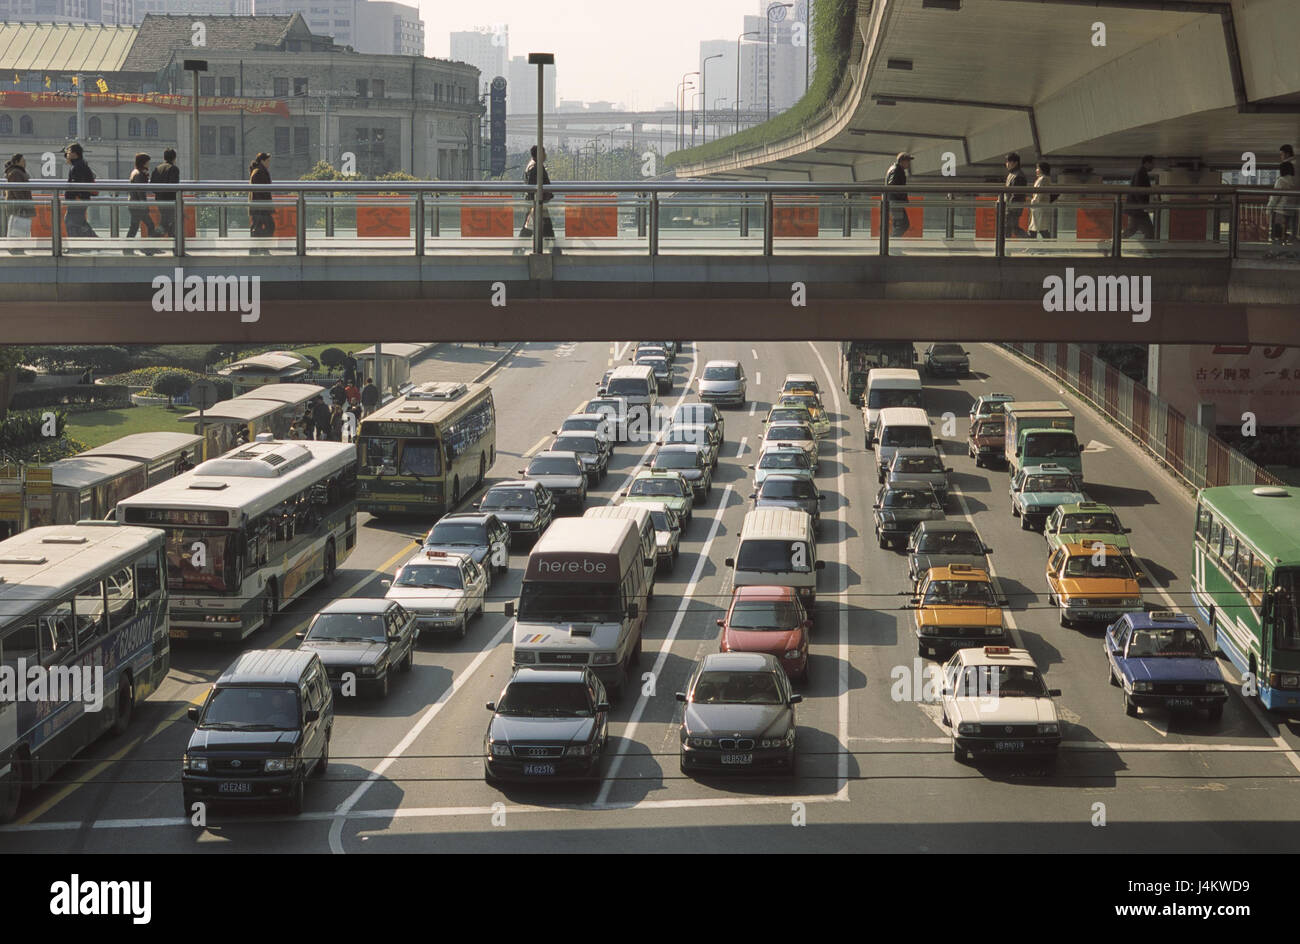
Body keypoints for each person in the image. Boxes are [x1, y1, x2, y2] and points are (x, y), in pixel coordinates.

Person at [520, 145, 556, 248]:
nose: (545, 155)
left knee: (531, 226)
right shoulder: (536, 167)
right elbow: (533, 186)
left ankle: (519, 248)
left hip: (536, 202)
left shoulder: (532, 165)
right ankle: (554, 248)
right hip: (537, 203)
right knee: (544, 227)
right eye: (544, 153)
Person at [124, 152, 159, 255]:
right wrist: (145, 206)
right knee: (149, 225)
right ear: (143, 162)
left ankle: (128, 249)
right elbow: (141, 192)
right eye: (147, 162)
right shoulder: (139, 174)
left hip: (134, 204)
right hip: (138, 205)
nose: (148, 164)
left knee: (134, 227)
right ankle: (148, 248)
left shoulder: (136, 172)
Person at [63, 143, 98, 239]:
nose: (67, 155)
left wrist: (77, 197)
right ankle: (96, 241)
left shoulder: (78, 166)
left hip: (77, 200)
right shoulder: (80, 164)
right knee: (80, 222)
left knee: (70, 222)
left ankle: (77, 245)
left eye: (69, 152)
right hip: (80, 199)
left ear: (75, 154)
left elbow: (78, 184)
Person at [4, 154, 33, 255]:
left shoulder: (16, 172)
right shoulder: (16, 173)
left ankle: (17, 248)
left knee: (18, 227)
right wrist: (24, 204)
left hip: (18, 205)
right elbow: (18, 191)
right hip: (19, 206)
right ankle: (16, 248)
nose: (25, 163)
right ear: (16, 162)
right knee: (18, 227)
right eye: (23, 161)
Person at [1268, 145, 1296, 246]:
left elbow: (1275, 196)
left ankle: (1276, 250)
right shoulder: (1292, 181)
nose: (1281, 156)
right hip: (1290, 209)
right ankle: (1286, 249)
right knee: (1286, 231)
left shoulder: (1281, 180)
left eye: (1281, 154)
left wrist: (1269, 208)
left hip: (1279, 210)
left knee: (1277, 232)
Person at [1122, 154, 1156, 240]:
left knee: (1132, 230)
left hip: (1136, 208)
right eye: (1153, 164)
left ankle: (1114, 243)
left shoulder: (1140, 171)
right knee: (1149, 232)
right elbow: (1138, 191)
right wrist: (1143, 206)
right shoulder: (1141, 172)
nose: (1153, 166)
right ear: (1147, 163)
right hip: (1138, 209)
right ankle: (1149, 250)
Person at [149, 146, 180, 240]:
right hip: (170, 200)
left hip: (159, 200)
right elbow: (174, 186)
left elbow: (152, 186)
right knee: (168, 223)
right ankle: (153, 239)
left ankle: (174, 243)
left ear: (164, 157)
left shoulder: (157, 168)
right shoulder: (174, 169)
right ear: (174, 158)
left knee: (167, 222)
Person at [248, 151, 274, 253]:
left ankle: (256, 249)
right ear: (262, 161)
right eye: (267, 161)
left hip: (259, 206)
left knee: (258, 227)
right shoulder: (259, 172)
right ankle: (261, 248)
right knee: (268, 226)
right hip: (261, 206)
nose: (269, 163)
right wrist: (265, 205)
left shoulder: (258, 171)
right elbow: (261, 191)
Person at [1027, 160, 1058, 240]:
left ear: (1042, 169)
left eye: (1037, 168)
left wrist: (1032, 201)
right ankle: (1033, 246)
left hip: (1038, 208)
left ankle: (1035, 246)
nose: (1036, 170)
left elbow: (1038, 194)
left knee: (1038, 228)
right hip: (1040, 207)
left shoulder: (1043, 179)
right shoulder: (1045, 179)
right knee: (1038, 228)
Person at [885, 152, 913, 241]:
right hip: (895, 202)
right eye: (908, 161)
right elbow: (892, 185)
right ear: (902, 161)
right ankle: (892, 244)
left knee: (898, 224)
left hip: (893, 201)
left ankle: (892, 246)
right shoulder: (897, 170)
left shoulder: (894, 168)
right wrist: (901, 197)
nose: (909, 164)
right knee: (903, 224)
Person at [1003, 152, 1028, 238]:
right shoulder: (1013, 174)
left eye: (1009, 162)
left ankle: (1030, 242)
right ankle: (1030, 242)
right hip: (1011, 206)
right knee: (1011, 228)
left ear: (1015, 163)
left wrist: (1009, 207)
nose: (1007, 164)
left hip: (1013, 207)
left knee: (1011, 228)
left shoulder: (1018, 176)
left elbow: (1017, 194)